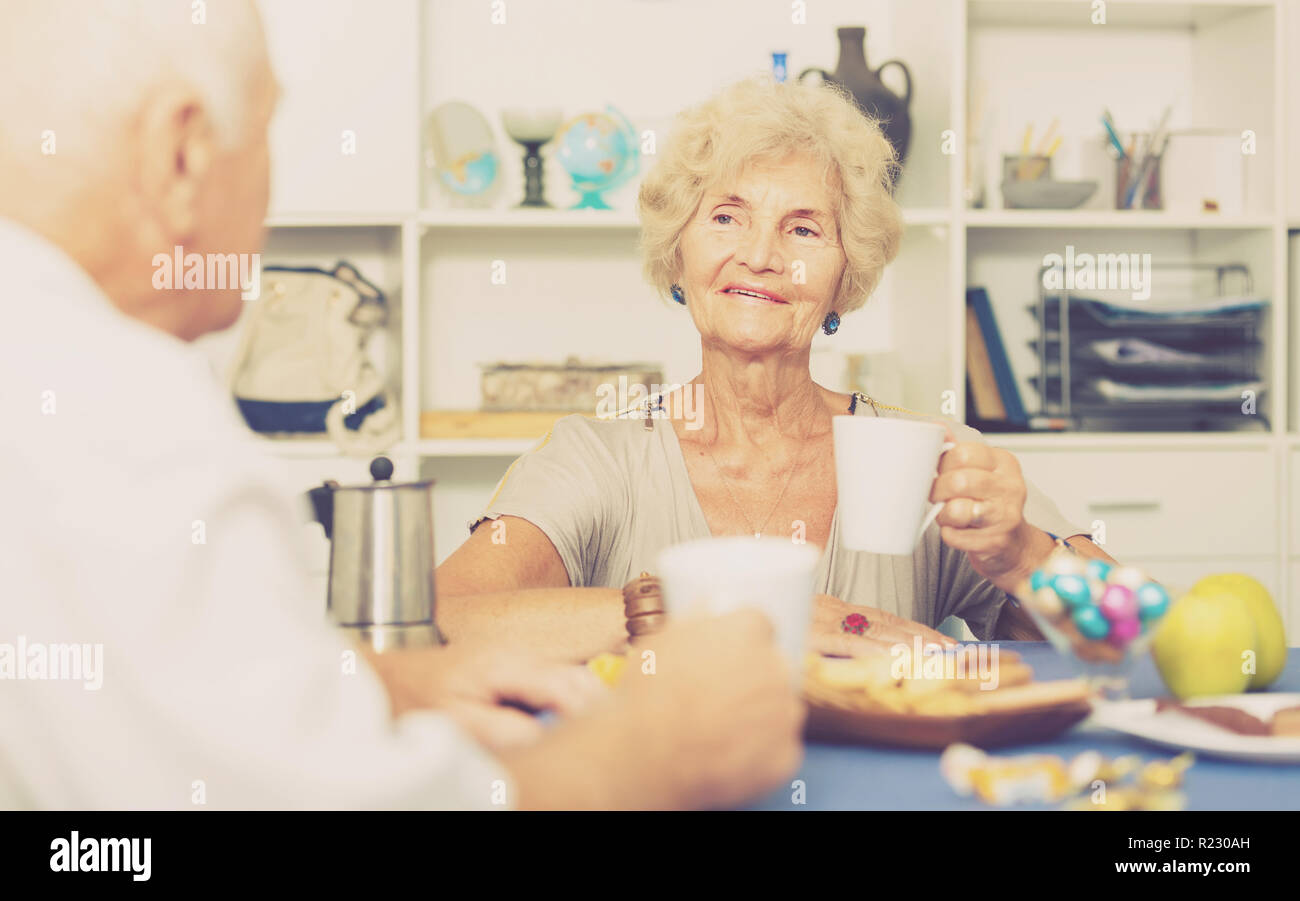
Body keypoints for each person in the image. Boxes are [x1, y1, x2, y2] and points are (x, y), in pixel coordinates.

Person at [0, 0, 803, 811]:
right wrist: (645, 749)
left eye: (804, 229)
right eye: (267, 136)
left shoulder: (50, 371)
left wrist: (381, 680)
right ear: (182, 157)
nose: (764, 255)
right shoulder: (125, 422)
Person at [436, 76, 1118, 660]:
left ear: (845, 273)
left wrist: (1024, 556)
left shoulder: (927, 459)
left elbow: (1131, 633)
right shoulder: (594, 459)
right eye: (728, 216)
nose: (761, 255)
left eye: (803, 228)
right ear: (680, 254)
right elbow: (437, 622)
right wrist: (744, 615)